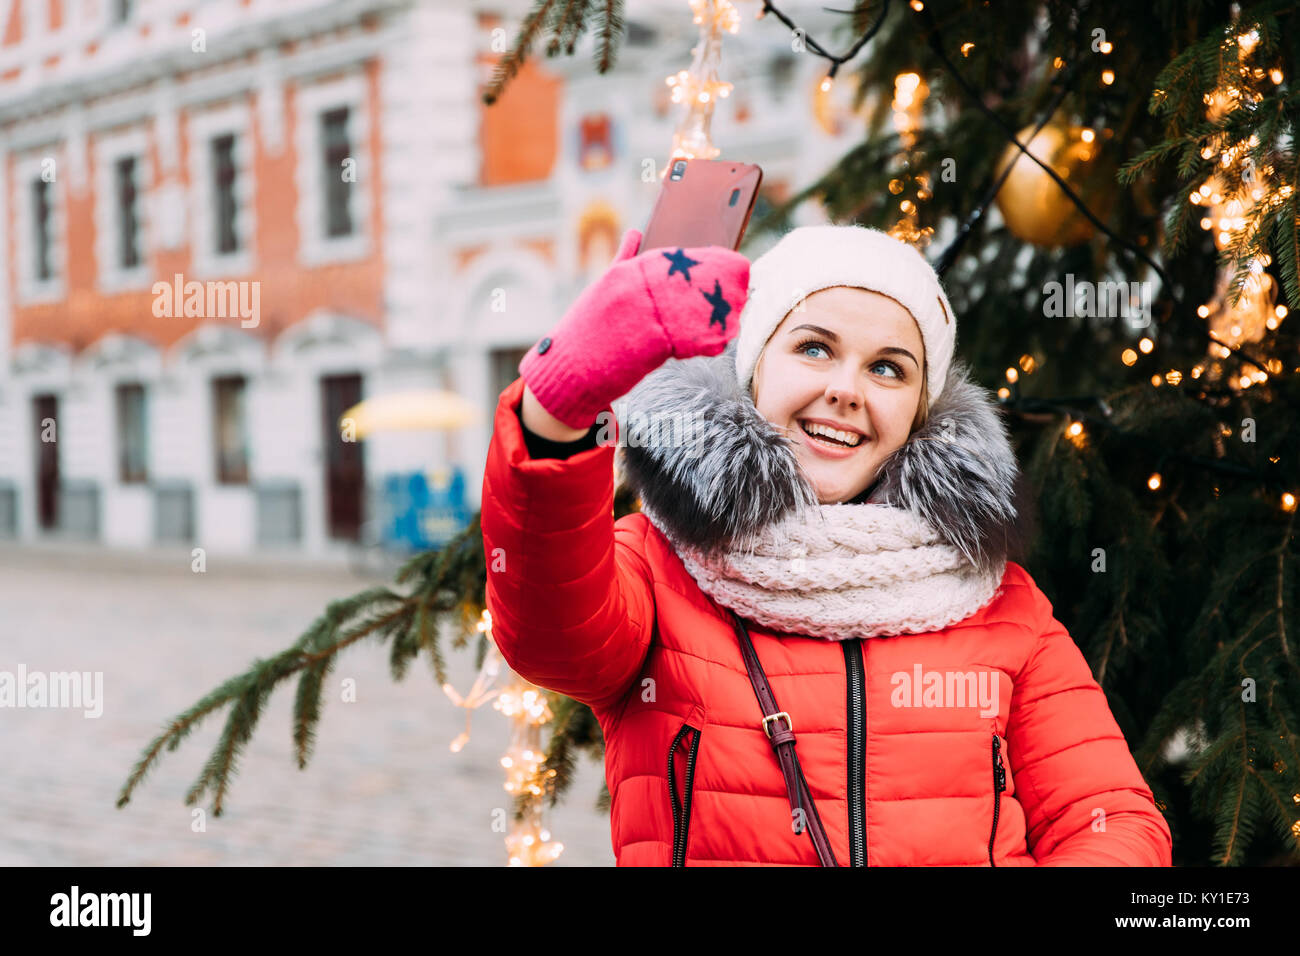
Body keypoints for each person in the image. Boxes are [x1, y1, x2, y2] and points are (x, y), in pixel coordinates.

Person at [480, 224, 1173, 866]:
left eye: (889, 369)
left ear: (919, 412)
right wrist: (560, 400)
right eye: (814, 348)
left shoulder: (1000, 602)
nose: (845, 389)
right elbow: (550, 636)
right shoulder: (656, 567)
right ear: (755, 368)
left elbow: (1110, 820)